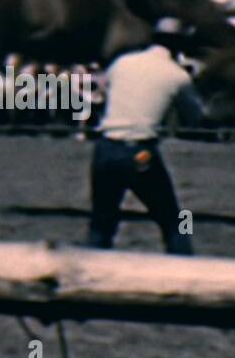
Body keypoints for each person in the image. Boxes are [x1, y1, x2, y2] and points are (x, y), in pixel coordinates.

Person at [86, 44, 205, 255]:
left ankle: (89, 264)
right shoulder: (177, 75)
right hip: (140, 151)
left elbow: (103, 94)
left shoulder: (121, 63)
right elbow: (195, 115)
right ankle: (185, 260)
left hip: (105, 147)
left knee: (101, 218)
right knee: (177, 218)